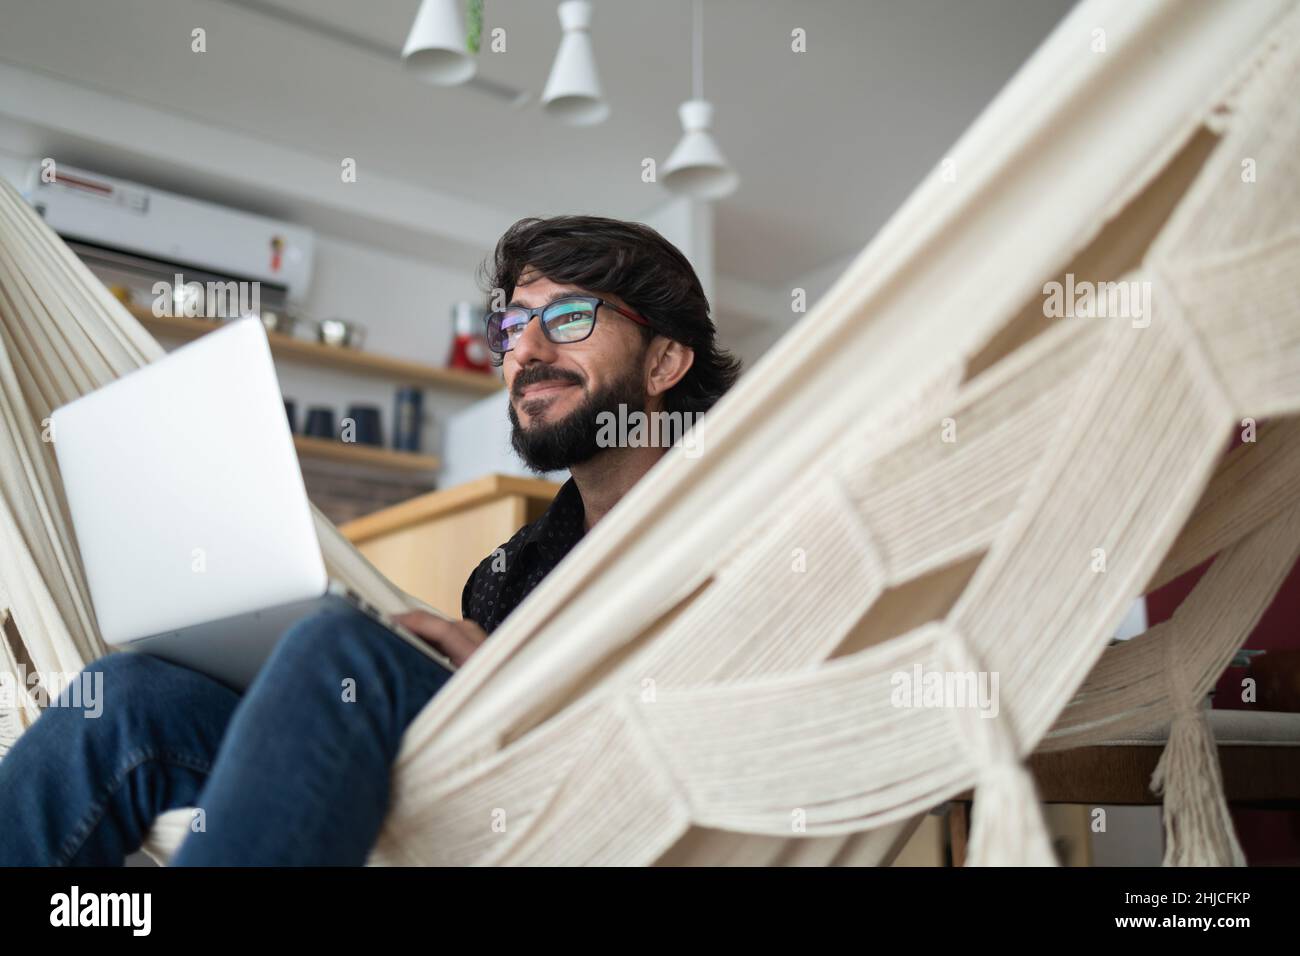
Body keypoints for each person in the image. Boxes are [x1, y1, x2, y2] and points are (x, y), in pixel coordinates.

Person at [0, 215, 740, 866]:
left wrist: (506, 686)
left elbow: (710, 737)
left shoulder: (735, 530)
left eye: (571, 317)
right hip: (452, 794)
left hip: (588, 812)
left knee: (340, 647)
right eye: (511, 327)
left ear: (664, 362)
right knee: (130, 695)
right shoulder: (506, 572)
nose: (528, 350)